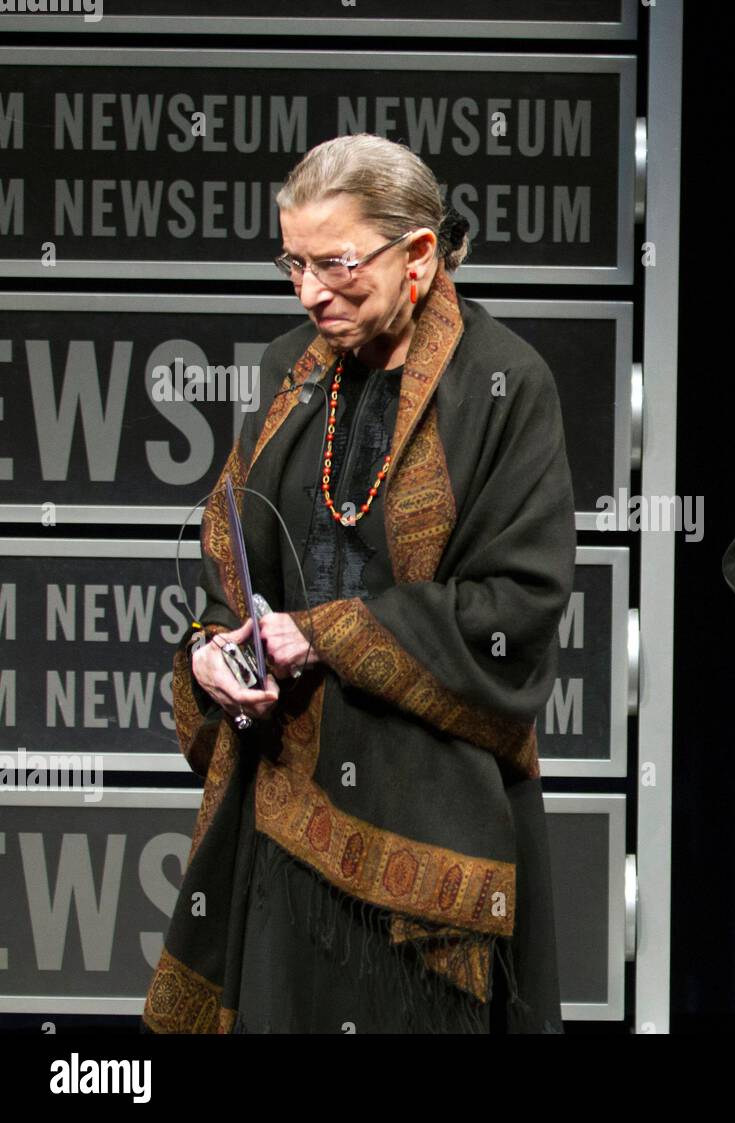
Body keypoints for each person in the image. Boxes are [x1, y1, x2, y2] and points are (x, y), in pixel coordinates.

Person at [142, 133, 576, 1034]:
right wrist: (215, 655)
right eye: (292, 264)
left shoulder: (503, 385)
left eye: (337, 264)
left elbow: (517, 609)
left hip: (429, 827)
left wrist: (331, 632)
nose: (310, 293)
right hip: (286, 814)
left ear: (419, 253)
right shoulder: (284, 373)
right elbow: (236, 574)